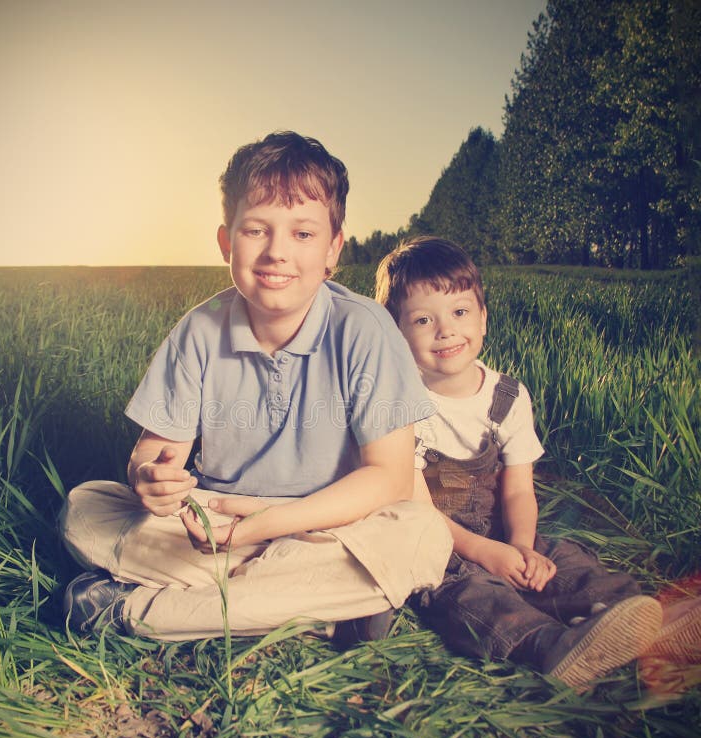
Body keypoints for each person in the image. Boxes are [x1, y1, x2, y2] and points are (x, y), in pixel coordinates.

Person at [59, 132, 452, 643]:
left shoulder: (366, 329)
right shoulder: (199, 331)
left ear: (333, 249)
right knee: (85, 507)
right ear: (227, 242)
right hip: (218, 524)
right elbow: (155, 453)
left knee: (421, 535)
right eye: (256, 230)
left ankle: (133, 612)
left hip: (332, 522)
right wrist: (150, 477)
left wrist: (266, 525)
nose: (276, 253)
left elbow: (390, 479)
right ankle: (323, 608)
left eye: (303, 235)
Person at [375, 235, 701, 689]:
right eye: (424, 319)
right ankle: (551, 646)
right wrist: (486, 553)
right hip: (441, 547)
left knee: (564, 560)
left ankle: (647, 619)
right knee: (469, 598)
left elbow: (518, 489)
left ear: (483, 318)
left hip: (505, 531)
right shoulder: (399, 406)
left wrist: (523, 546)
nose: (446, 330)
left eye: (460, 312)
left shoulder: (507, 397)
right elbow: (418, 510)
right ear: (396, 335)